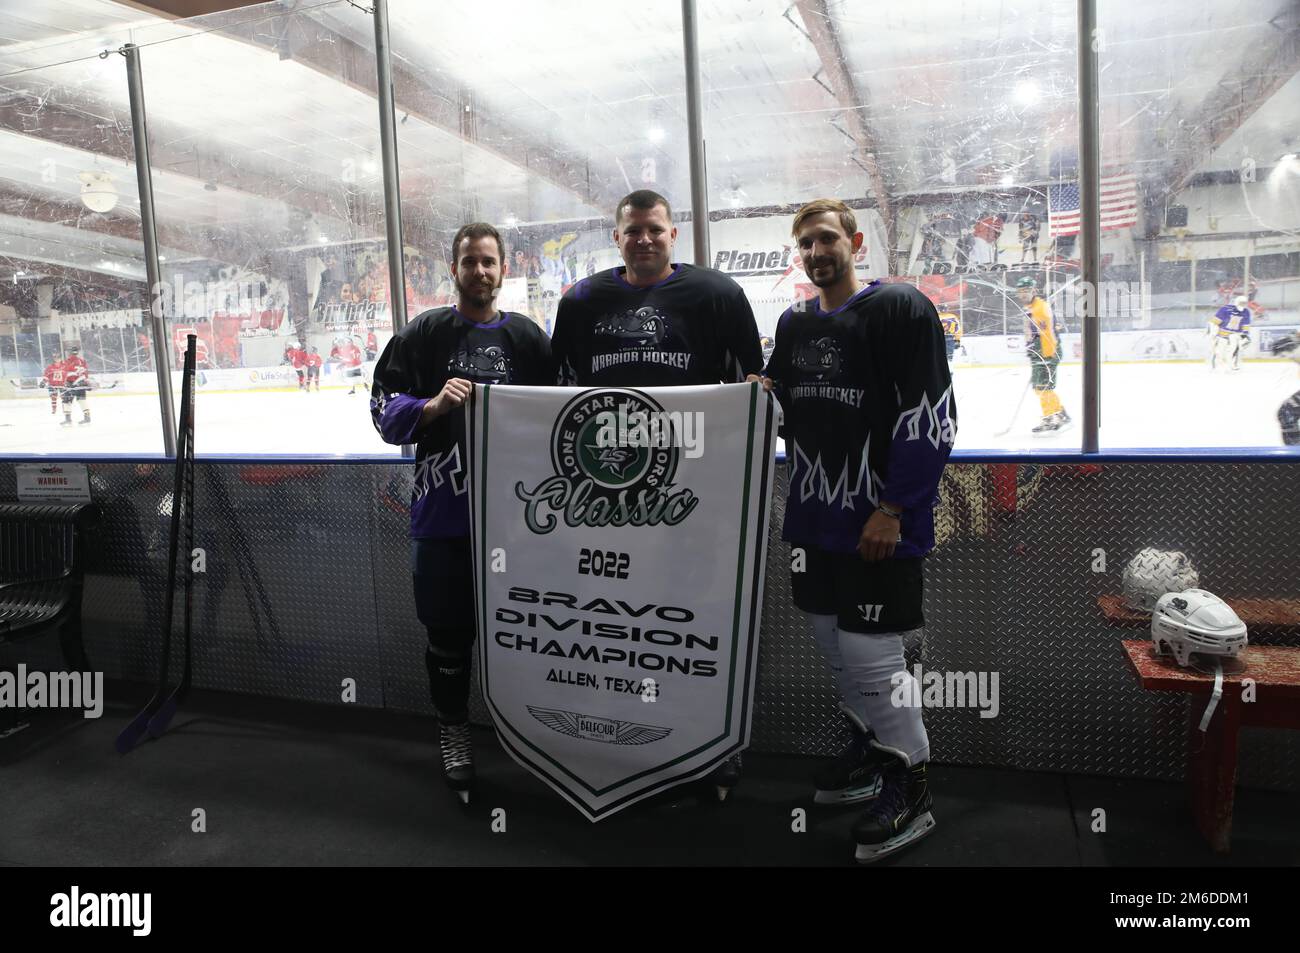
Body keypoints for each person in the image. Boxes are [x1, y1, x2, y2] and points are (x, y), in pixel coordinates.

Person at [550, 188, 764, 799]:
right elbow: (555, 394)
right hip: (608, 496)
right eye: (632, 231)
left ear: (675, 234)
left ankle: (713, 745)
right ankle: (628, 732)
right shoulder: (583, 299)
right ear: (615, 237)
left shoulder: (717, 294)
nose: (644, 239)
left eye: (655, 230)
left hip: (690, 498)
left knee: (695, 619)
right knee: (620, 620)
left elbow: (751, 384)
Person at [762, 198, 955, 863]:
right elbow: (788, 409)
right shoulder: (793, 324)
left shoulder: (902, 309)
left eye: (826, 239)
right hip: (815, 521)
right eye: (806, 244)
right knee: (835, 646)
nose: (817, 252)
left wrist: (894, 509)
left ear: (854, 240)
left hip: (878, 523)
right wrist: (757, 397)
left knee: (875, 661)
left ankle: (912, 785)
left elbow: (929, 417)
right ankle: (870, 756)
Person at [370, 222, 553, 804]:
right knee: (448, 638)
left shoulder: (528, 339)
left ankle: (528, 735)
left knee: (523, 637)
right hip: (443, 525)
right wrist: (429, 406)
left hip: (518, 527)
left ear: (504, 269)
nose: (480, 271)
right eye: (469, 262)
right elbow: (382, 408)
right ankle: (454, 733)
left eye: (489, 262)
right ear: (454, 269)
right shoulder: (424, 333)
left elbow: (564, 414)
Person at [1016, 275, 1070, 432]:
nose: (1023, 294)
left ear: (1034, 290)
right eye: (1020, 291)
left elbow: (1049, 334)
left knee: (1044, 387)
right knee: (1040, 387)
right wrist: (1031, 348)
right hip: (1040, 352)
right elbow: (1031, 333)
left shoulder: (1040, 308)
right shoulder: (1030, 308)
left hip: (1047, 352)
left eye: (1026, 290)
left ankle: (1055, 416)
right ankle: (1056, 414)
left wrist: (1046, 355)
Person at [1208, 294, 1251, 371]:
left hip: (1235, 334)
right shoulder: (1225, 309)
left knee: (1234, 350)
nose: (1243, 305)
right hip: (1222, 334)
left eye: (1244, 303)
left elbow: (1245, 324)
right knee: (1219, 351)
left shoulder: (1246, 312)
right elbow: (1215, 322)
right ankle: (1215, 366)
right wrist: (1213, 332)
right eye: (1241, 303)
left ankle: (1233, 365)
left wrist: (1244, 334)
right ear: (1237, 302)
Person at [61, 348, 92, 426]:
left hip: (70, 383)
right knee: (82, 400)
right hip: (80, 382)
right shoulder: (82, 361)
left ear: (70, 353)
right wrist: (86, 381)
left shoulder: (67, 361)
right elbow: (85, 373)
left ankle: (68, 420)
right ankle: (87, 418)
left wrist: (65, 383)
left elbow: (66, 373)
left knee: (67, 401)